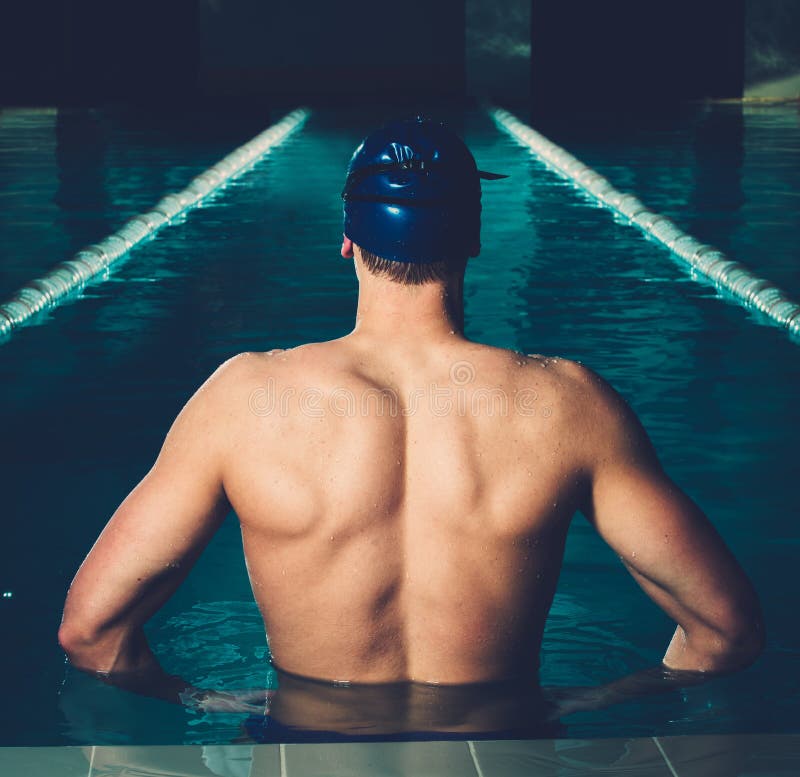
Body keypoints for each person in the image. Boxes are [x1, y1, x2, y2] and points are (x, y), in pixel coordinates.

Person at [58, 117, 764, 738]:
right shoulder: (568, 405)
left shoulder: (243, 398)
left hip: (306, 747)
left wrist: (198, 698)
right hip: (506, 744)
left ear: (348, 242)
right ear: (473, 240)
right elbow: (726, 629)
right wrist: (595, 700)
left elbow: (90, 630)